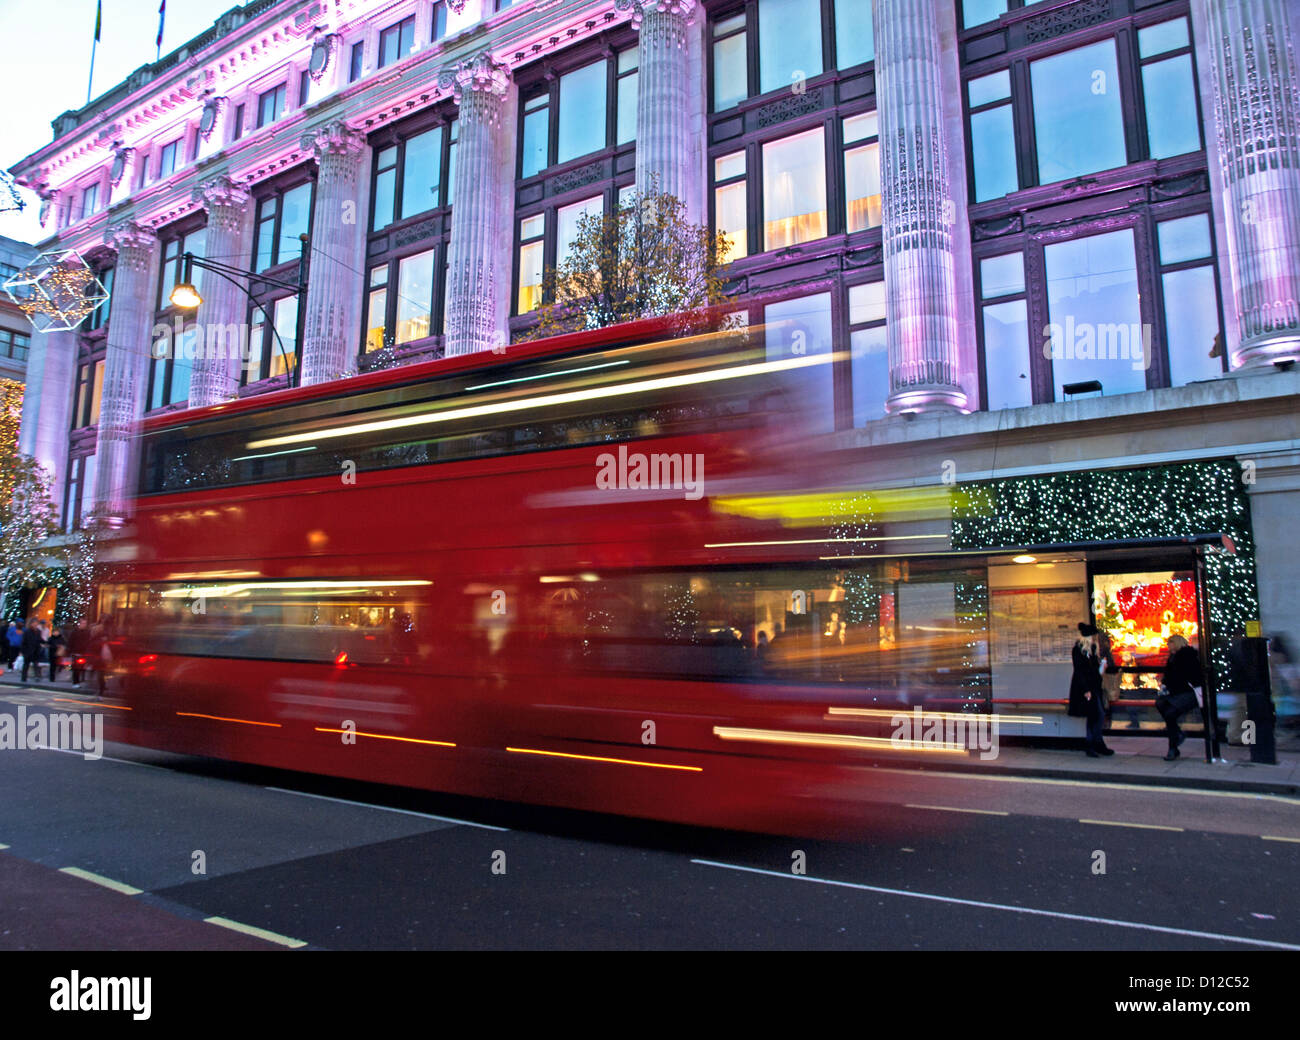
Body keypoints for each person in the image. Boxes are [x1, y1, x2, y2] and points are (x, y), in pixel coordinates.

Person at [1069, 622, 1113, 757]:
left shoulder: (1092, 650)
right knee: (1096, 715)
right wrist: (1086, 689)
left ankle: (1094, 743)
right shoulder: (1079, 650)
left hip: (1094, 687)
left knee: (1095, 715)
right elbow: (1079, 671)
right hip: (1086, 688)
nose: (1095, 639)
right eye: (1093, 637)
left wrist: (1102, 667)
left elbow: (1093, 671)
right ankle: (1093, 743)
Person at [1158, 633, 1203, 760]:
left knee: (1169, 714)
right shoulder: (1173, 657)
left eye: (1170, 643)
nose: (1168, 646)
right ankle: (1175, 739)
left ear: (1176, 643)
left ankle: (1173, 745)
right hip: (1177, 692)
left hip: (1187, 693)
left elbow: (1189, 676)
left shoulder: (1186, 656)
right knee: (1162, 705)